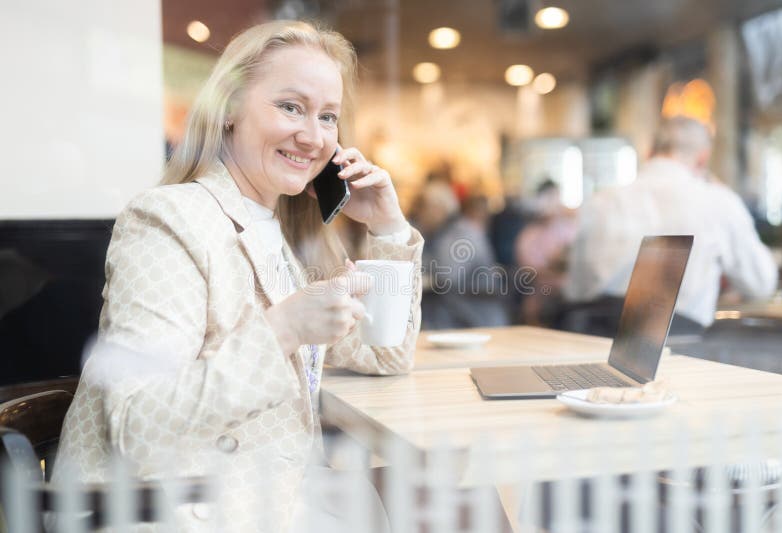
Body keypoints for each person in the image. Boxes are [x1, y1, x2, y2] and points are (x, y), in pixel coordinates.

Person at [51, 21, 423, 532]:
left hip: (267, 493)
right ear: (228, 108)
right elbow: (140, 429)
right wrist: (286, 329)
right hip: (176, 510)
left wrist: (388, 225)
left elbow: (385, 352)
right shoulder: (167, 219)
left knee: (450, 500)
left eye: (329, 116)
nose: (313, 136)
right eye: (290, 106)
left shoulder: (275, 233)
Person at [563, 116, 777, 336]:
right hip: (678, 348)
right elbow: (760, 283)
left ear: (649, 152)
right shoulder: (718, 201)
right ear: (703, 159)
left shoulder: (601, 202)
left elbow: (576, 290)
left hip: (592, 340)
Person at [422, 194, 510, 329]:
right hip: (461, 314)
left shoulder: (461, 232)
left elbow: (448, 276)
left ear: (439, 208)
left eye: (424, 208)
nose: (421, 214)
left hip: (476, 317)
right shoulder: (447, 231)